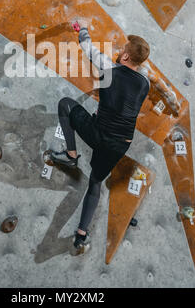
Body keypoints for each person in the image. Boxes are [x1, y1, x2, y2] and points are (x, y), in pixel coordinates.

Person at [50, 20, 150, 251]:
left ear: (125, 57)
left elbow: (86, 45)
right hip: (120, 145)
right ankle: (81, 234)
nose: (119, 51)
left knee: (65, 104)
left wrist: (82, 27)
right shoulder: (144, 83)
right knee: (95, 182)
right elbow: (124, 93)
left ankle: (71, 154)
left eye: (122, 50)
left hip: (98, 133)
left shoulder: (108, 67)